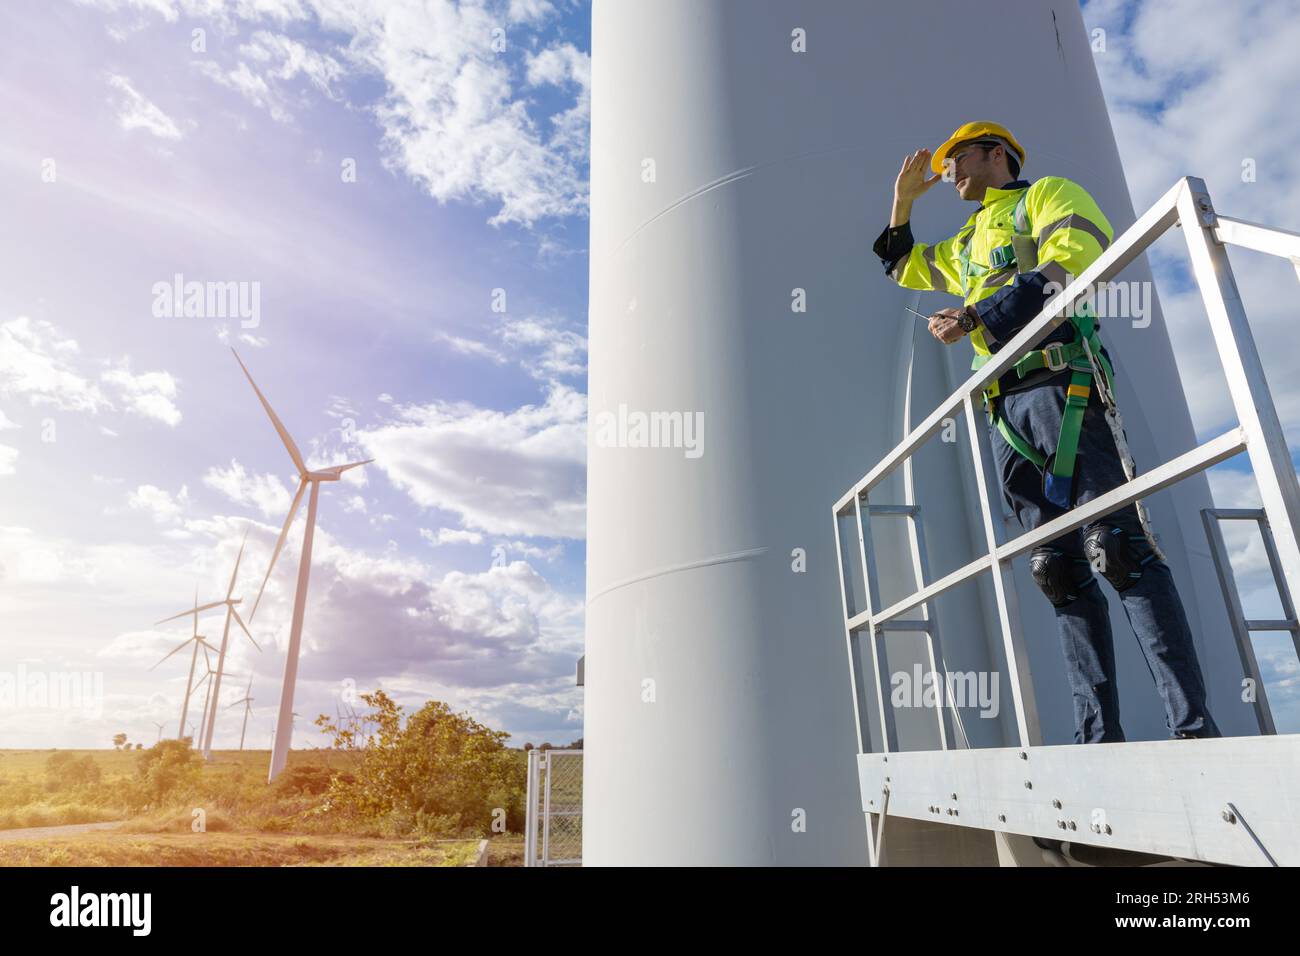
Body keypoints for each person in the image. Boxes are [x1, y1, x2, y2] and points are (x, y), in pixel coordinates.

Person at [872, 120, 1220, 743]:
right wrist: (902, 203)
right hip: (1004, 411)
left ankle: (1193, 728)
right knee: (1054, 568)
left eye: (958, 157)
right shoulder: (965, 242)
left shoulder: (1046, 196)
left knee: (1116, 546)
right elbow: (900, 266)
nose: (948, 171)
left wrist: (975, 316)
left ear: (996, 153)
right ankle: (1097, 739)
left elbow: (1073, 263)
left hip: (1065, 385)